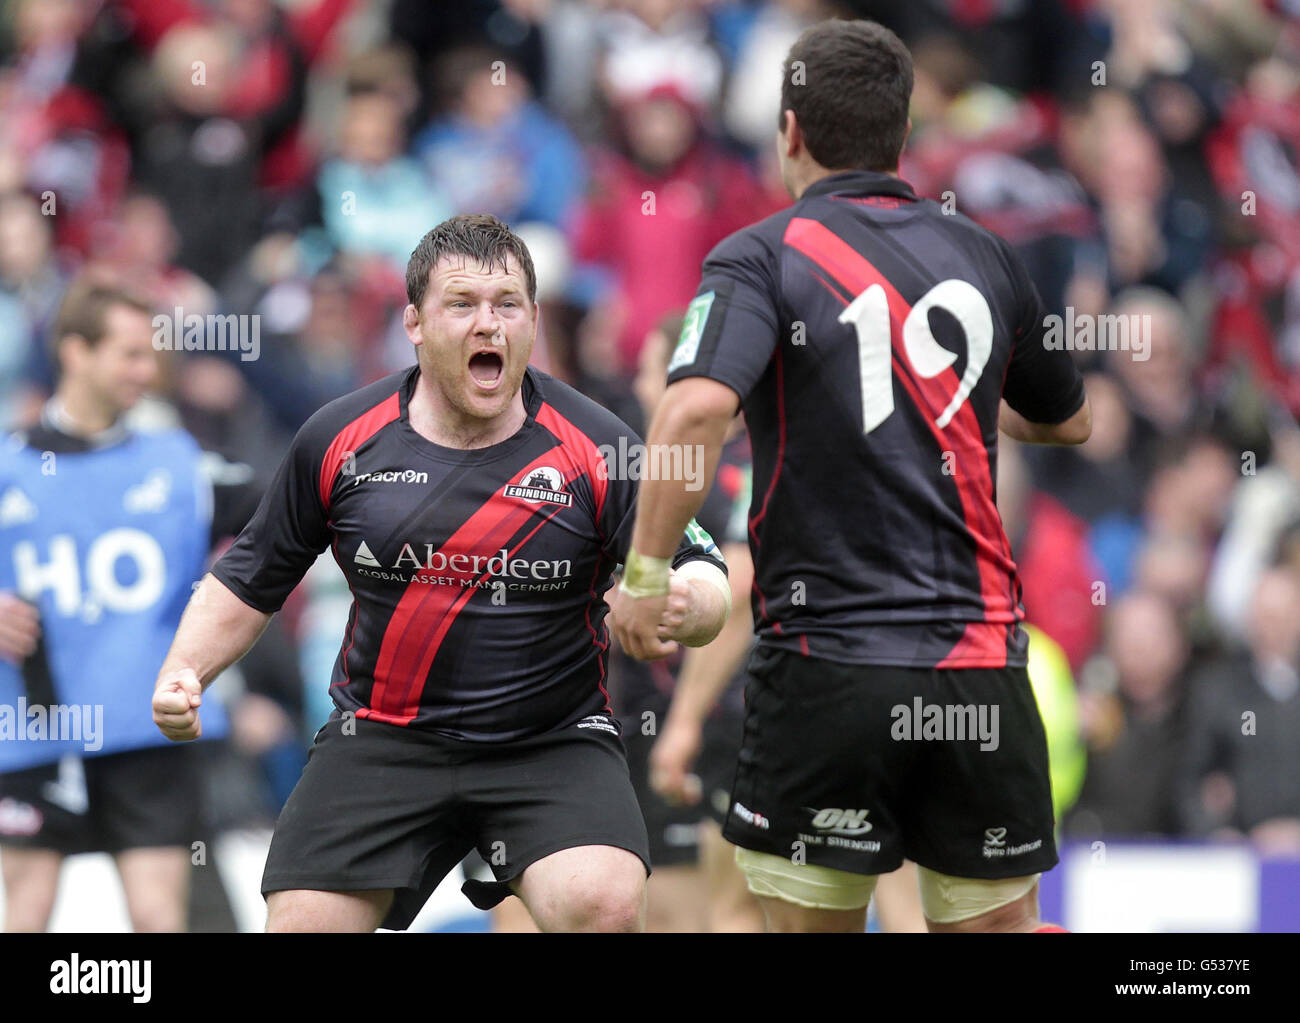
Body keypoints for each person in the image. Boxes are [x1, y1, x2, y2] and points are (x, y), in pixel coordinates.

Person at [612, 19, 1091, 934]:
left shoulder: (760, 254)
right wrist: (945, 398)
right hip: (977, 670)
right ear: (903, 134)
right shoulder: (983, 253)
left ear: (789, 131)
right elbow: (1069, 418)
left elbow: (694, 410)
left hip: (827, 667)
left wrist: (642, 577)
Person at [151, 213, 731, 933]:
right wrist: (186, 668)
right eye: (462, 304)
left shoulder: (599, 444)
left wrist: (685, 603)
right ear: (415, 323)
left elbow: (705, 569)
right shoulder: (339, 439)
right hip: (382, 737)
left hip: (551, 741)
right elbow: (250, 575)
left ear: (533, 320)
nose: (489, 324)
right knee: (300, 925)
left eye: (507, 305)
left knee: (605, 904)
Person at [0, 283, 255, 932]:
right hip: (35, 729)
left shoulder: (180, 463)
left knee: (157, 919)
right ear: (75, 351)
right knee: (23, 916)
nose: (148, 370)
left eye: (152, 355)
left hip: (148, 726)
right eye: (130, 353)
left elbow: (293, 508)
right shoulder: (7, 464)